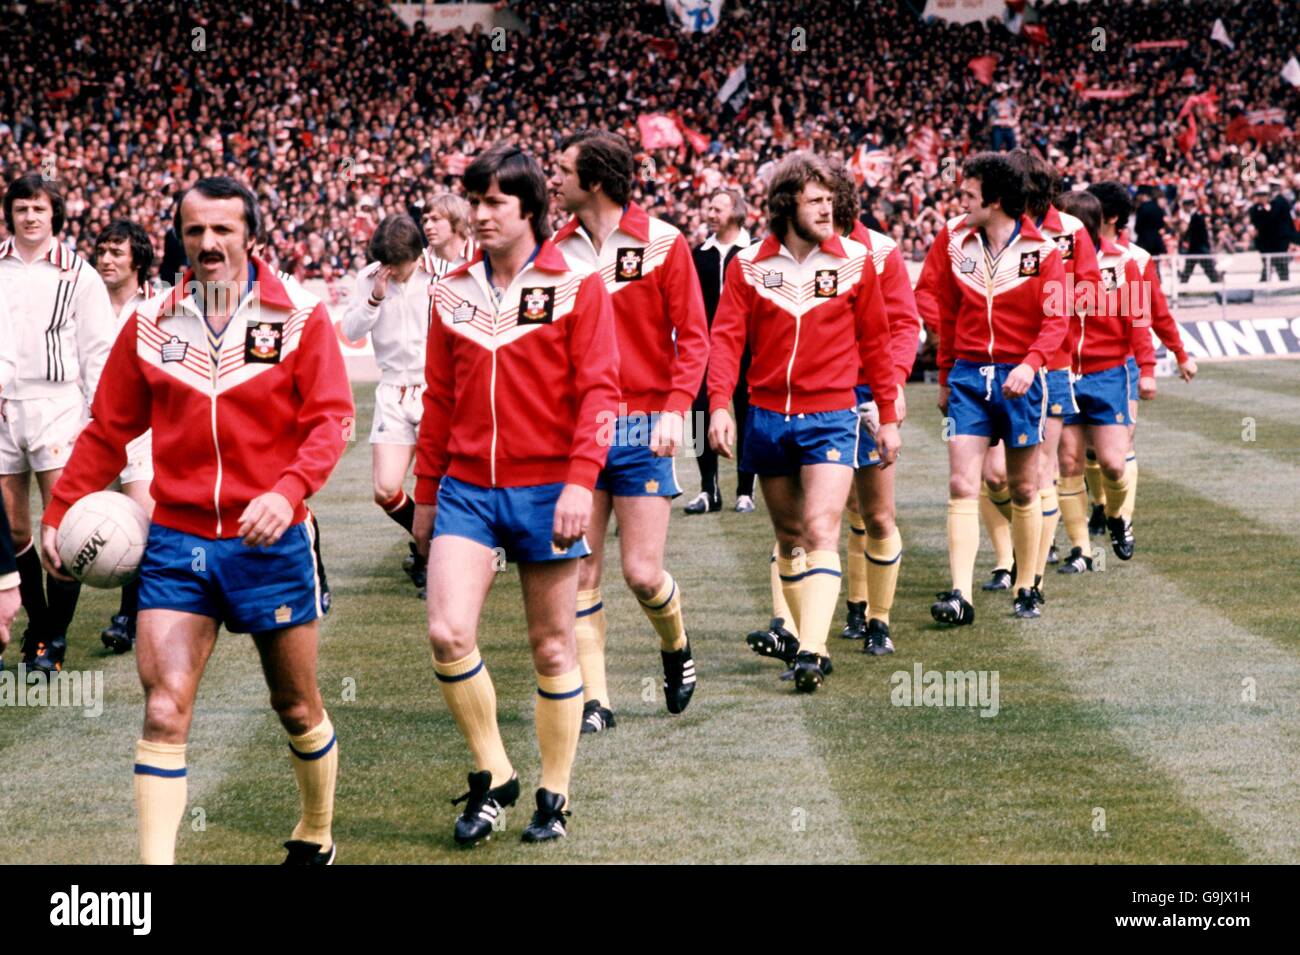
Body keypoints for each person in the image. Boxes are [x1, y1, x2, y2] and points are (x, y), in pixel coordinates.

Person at [39, 176, 354, 865]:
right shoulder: (150, 323)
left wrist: (288, 490)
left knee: (296, 706)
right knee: (162, 708)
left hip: (270, 541)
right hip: (177, 541)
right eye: (195, 231)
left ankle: (316, 832)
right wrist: (60, 510)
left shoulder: (299, 315)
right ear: (180, 237)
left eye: (223, 230)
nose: (208, 244)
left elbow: (331, 418)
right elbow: (108, 428)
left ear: (251, 236)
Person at [413, 144, 620, 844]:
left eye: (495, 202)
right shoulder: (451, 290)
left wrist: (579, 480)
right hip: (467, 488)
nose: (480, 214)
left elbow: (600, 391)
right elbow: (438, 398)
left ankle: (553, 795)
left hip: (549, 488)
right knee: (446, 631)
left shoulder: (579, 283)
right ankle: (495, 770)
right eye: (475, 201)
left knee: (553, 648)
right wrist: (423, 494)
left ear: (529, 207)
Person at [707, 151, 900, 693]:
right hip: (766, 416)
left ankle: (812, 650)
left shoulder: (856, 262)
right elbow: (726, 340)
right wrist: (719, 403)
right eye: (815, 200)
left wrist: (887, 415)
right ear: (786, 203)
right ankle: (802, 640)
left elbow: (878, 345)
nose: (827, 208)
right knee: (789, 536)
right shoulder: (746, 265)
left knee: (821, 528)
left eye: (831, 199)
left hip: (832, 414)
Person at [549, 129, 708, 732]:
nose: (552, 179)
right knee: (581, 569)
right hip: (577, 430)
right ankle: (597, 701)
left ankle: (676, 646)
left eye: (562, 170)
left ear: (593, 181)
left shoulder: (664, 242)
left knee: (641, 573)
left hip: (645, 426)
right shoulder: (553, 252)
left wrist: (676, 408)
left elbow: (694, 336)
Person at [914, 152, 1067, 624]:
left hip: (1022, 382)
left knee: (1023, 487)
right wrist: (944, 375)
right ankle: (961, 594)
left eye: (968, 195)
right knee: (963, 483)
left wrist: (1031, 363)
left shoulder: (1046, 253)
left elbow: (1057, 320)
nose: (960, 202)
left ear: (995, 201)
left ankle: (1028, 585)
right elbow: (946, 312)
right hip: (968, 378)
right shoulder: (957, 243)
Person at [0, 173, 115, 676]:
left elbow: (98, 352)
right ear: (11, 214)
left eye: (39, 209)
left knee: (62, 530)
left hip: (57, 406)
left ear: (55, 217)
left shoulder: (79, 273)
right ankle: (38, 626)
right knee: (11, 531)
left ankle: (53, 641)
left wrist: (95, 418)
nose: (30, 217)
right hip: (3, 408)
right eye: (22, 208)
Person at [831, 168, 920, 656]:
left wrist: (896, 384)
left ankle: (878, 620)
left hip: (869, 389)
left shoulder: (880, 251)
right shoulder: (797, 251)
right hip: (818, 393)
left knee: (877, 511)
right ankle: (852, 605)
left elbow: (905, 324)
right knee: (835, 510)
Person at [1086, 181, 1197, 540]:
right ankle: (1099, 505)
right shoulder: (1069, 255)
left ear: (1111, 216)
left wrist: (1179, 353)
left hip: (1124, 363)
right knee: (1089, 449)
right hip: (1079, 365)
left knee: (1123, 443)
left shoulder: (1136, 258)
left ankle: (1123, 519)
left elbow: (1156, 313)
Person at [1052, 189, 1153, 567]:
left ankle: (1115, 516)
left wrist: (1148, 370)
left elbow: (1139, 321)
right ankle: (1081, 549)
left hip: (1107, 373)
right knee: (1069, 463)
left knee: (1113, 462)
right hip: (1063, 372)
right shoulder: (1052, 263)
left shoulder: (1124, 264)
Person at [341, 214, 439, 598]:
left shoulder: (440, 277)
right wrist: (375, 297)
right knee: (385, 489)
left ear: (417, 256)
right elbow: (350, 331)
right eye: (386, 264)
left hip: (434, 389)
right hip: (392, 390)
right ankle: (428, 541)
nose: (392, 272)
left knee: (441, 487)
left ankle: (435, 561)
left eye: (398, 265)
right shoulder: (370, 278)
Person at [92, 218, 158, 653]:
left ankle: (128, 616)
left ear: (137, 259)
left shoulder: (162, 304)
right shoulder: (83, 297)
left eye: (117, 252)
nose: (106, 259)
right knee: (94, 523)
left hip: (144, 430)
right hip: (93, 428)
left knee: (139, 521)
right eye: (102, 251)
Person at [688, 188, 754, 514]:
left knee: (746, 414)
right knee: (700, 414)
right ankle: (707, 489)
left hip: (748, 350)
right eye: (709, 208)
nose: (711, 213)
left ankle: (745, 491)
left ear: (736, 212)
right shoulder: (697, 253)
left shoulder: (755, 252)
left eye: (718, 208)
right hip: (705, 350)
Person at [421, 192, 476, 278]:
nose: (427, 226)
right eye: (425, 220)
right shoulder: (419, 266)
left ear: (457, 221)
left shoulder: (483, 256)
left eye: (435, 219)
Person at [1250, 180, 1295, 281]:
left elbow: (1279, 220)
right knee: (1268, 262)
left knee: (1280, 263)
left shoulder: (1279, 202)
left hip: (1278, 240)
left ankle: (1282, 283)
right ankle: (1266, 282)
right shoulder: (1258, 207)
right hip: (1267, 240)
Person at [1177, 196, 1220, 283]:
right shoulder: (1196, 216)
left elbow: (1194, 233)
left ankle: (1218, 285)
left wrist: (1184, 238)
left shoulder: (1196, 216)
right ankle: (1217, 283)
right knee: (1191, 269)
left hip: (1199, 248)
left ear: (1189, 205)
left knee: (1207, 269)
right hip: (1197, 248)